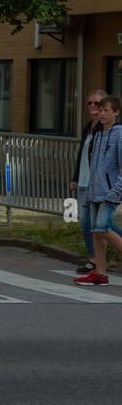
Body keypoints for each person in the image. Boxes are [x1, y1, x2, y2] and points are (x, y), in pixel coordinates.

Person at [74, 95, 122, 286]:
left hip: (110, 193)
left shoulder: (119, 134)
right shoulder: (98, 134)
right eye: (100, 110)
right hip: (94, 192)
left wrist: (114, 192)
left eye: (106, 110)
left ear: (115, 113)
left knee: (102, 228)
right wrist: (88, 194)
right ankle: (100, 273)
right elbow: (93, 166)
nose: (102, 113)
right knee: (95, 232)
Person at [71, 90, 107, 273]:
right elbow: (82, 155)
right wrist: (75, 178)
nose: (93, 106)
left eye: (97, 103)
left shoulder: (106, 128)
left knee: (102, 224)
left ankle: (99, 260)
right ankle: (93, 258)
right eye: (90, 103)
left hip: (98, 184)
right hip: (84, 182)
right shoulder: (88, 127)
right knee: (86, 223)